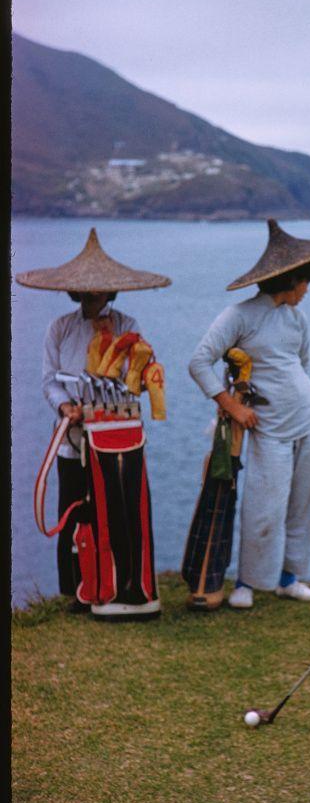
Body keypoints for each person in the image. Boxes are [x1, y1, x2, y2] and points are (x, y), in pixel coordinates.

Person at [188, 218, 310, 610]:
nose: (307, 290)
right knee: (264, 506)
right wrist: (232, 406)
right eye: (305, 282)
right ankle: (247, 581)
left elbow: (302, 365)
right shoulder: (239, 315)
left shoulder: (296, 318)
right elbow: (199, 362)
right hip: (269, 426)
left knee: (304, 504)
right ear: (290, 279)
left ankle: (289, 578)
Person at [17, 227, 171, 613]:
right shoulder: (60, 328)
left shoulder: (127, 326)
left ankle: (119, 582)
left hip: (114, 434)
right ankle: (75, 589)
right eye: (86, 291)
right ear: (76, 292)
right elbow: (50, 381)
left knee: (117, 508)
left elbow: (134, 378)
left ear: (110, 291)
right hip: (72, 436)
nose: (92, 297)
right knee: (73, 508)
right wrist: (65, 408)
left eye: (99, 291)